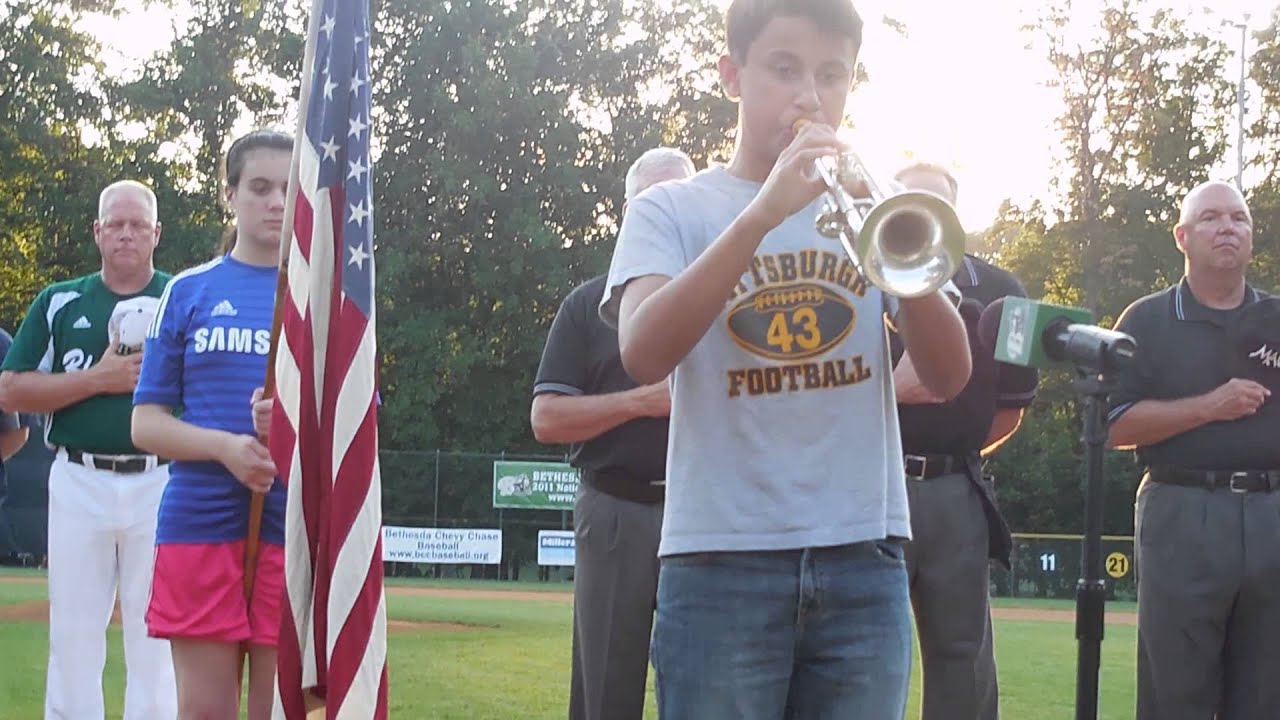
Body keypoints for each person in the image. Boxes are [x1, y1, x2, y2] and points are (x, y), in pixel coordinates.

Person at [598, 0, 973, 716]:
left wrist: (899, 257)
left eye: (833, 74)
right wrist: (763, 213)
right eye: (783, 69)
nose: (810, 95)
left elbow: (950, 375)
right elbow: (643, 352)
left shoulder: (875, 207)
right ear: (731, 76)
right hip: (718, 560)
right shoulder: (670, 211)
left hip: (864, 554)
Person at [130, 129, 291, 720]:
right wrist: (227, 447)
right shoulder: (189, 290)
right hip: (199, 524)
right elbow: (146, 425)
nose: (275, 201)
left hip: (289, 529)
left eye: (286, 188)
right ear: (230, 195)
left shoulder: (323, 298)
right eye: (260, 187)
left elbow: (359, 426)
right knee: (204, 713)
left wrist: (292, 427)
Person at [0, 179, 176, 720]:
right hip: (78, 478)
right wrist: (98, 379)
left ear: (156, 234)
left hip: (163, 479)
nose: (126, 234)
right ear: (97, 232)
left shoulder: (183, 297)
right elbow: (11, 388)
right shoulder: (60, 300)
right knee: (73, 635)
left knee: (158, 638)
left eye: (137, 225)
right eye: (115, 225)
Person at [531, 146, 696, 720]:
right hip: (615, 510)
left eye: (681, 199)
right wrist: (642, 402)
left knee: (712, 683)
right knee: (606, 688)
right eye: (654, 201)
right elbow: (546, 418)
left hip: (708, 512)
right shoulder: (587, 305)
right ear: (628, 212)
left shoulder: (725, 296)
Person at [1108, 180, 1280, 720]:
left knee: (1267, 693)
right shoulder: (1147, 320)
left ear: (1252, 235)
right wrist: (1210, 406)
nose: (1227, 227)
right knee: (1174, 694)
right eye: (1210, 218)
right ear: (1182, 236)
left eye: (1238, 218)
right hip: (1183, 510)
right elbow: (1115, 428)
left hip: (1274, 511)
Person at [889, 162, 1039, 720]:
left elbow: (1010, 411)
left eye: (938, 205)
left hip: (957, 491)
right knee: (861, 649)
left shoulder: (1006, 292)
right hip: (871, 485)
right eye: (911, 202)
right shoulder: (858, 282)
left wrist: (957, 460)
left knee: (963, 661)